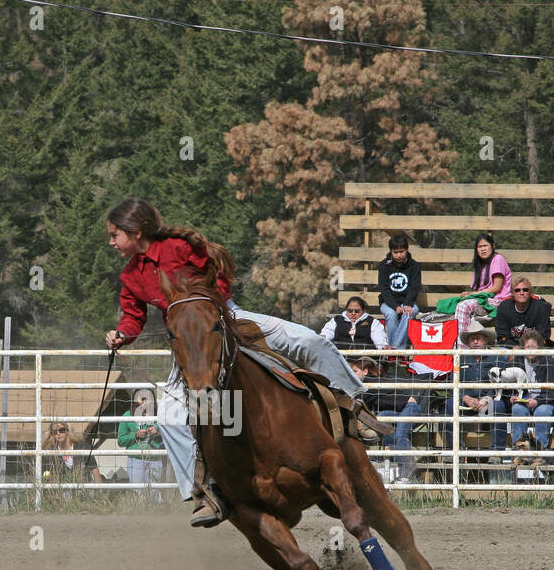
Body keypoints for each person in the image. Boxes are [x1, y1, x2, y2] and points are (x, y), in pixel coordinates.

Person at [103, 197, 370, 527]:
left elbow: (221, 270)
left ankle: (355, 407)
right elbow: (133, 316)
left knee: (310, 341)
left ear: (135, 231)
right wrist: (122, 334)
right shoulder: (131, 275)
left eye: (115, 235)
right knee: (171, 419)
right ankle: (207, 492)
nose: (112, 242)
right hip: (192, 344)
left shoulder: (176, 247)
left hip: (229, 317)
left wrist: (215, 305)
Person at [443, 320, 507, 458]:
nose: (475, 341)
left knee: (499, 406)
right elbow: (451, 380)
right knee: (449, 404)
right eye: (472, 339)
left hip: (488, 403)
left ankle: (497, 451)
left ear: (485, 340)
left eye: (478, 338)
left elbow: (502, 382)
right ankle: (454, 450)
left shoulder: (497, 358)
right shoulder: (460, 358)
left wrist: (488, 398)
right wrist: (464, 397)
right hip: (465, 402)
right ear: (468, 342)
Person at [506, 329, 554, 458]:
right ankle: (519, 451)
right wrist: (513, 396)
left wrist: (537, 401)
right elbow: (509, 385)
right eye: (528, 346)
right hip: (524, 399)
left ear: (540, 347)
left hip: (544, 400)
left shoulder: (549, 362)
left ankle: (540, 451)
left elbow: (553, 391)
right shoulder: (517, 361)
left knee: (542, 412)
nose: (530, 350)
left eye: (534, 347)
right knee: (518, 409)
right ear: (523, 348)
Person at [452, 233, 512, 342]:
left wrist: (473, 294)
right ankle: (467, 345)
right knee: (453, 305)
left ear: (493, 246)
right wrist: (468, 294)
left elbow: (496, 288)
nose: (483, 249)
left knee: (463, 307)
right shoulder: (480, 264)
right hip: (485, 300)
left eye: (485, 246)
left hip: (499, 301)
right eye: (480, 247)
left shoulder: (498, 259)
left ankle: (461, 350)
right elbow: (480, 290)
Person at [378, 232, 422, 348]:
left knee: (408, 314)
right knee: (391, 315)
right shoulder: (384, 265)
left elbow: (414, 287)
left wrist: (407, 304)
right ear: (391, 252)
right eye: (395, 252)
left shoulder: (414, 266)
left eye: (401, 251)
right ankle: (398, 350)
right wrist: (395, 306)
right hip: (388, 302)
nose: (398, 255)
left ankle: (395, 349)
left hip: (408, 301)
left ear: (407, 250)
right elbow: (384, 289)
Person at [117, 399, 164, 501]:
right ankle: (140, 514)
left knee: (155, 492)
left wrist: (159, 432)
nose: (145, 401)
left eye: (147, 398)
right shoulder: (128, 415)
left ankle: (158, 514)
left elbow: (171, 435)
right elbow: (120, 441)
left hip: (155, 459)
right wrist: (135, 435)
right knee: (138, 493)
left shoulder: (159, 415)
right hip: (135, 460)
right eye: (142, 398)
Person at [494, 276, 552, 346]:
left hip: (536, 346)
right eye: (517, 290)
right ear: (512, 293)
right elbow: (502, 336)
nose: (521, 293)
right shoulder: (504, 307)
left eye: (525, 290)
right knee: (503, 354)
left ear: (530, 292)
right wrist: (514, 348)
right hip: (512, 346)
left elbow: (543, 336)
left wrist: (529, 347)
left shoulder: (541, 307)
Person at [321, 295, 388, 352]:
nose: (353, 313)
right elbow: (326, 333)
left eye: (357, 311)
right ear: (346, 310)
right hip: (340, 357)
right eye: (350, 311)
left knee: (362, 367)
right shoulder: (336, 320)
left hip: (365, 357)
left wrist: (382, 346)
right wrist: (321, 339)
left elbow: (379, 337)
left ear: (363, 311)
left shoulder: (372, 322)